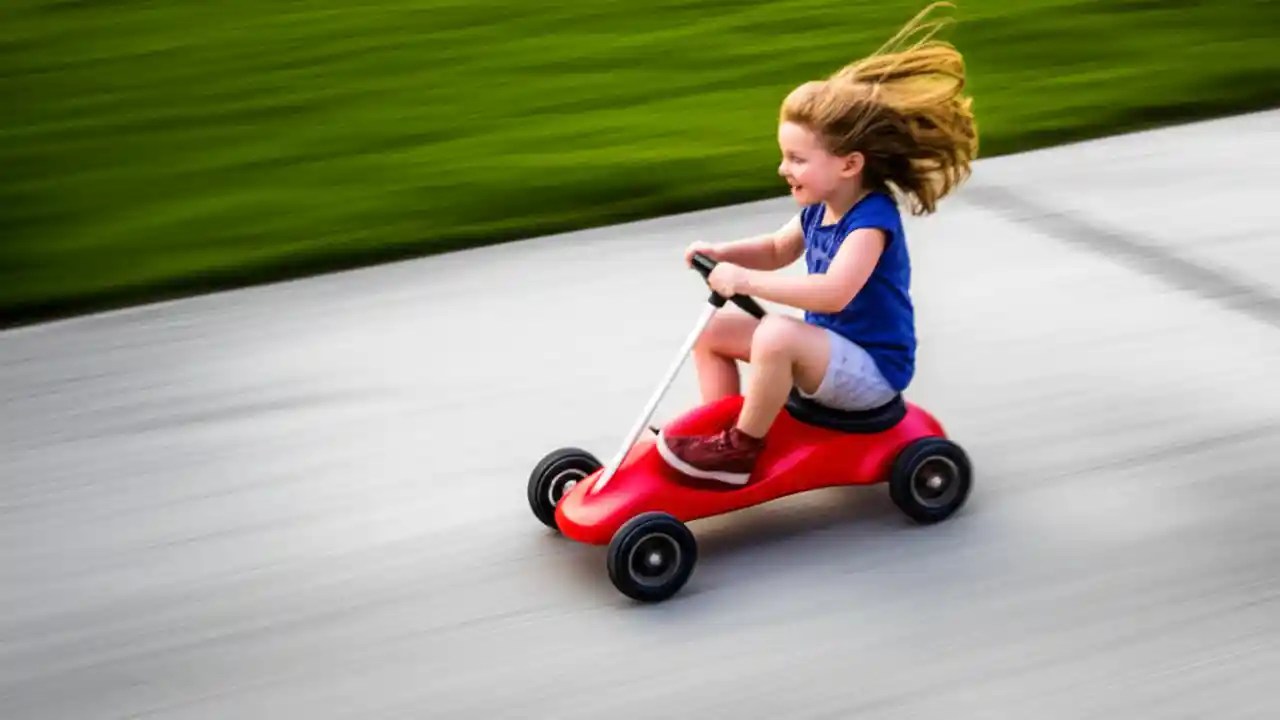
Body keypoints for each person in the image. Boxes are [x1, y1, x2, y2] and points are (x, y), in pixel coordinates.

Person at [657, 2, 978, 485]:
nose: (784, 168)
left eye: (797, 158)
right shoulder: (818, 206)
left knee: (776, 336)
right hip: (828, 358)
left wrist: (743, 280)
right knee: (714, 331)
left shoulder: (871, 221)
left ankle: (740, 453)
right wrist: (723, 254)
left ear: (849, 164)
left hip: (870, 374)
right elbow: (776, 249)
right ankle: (722, 431)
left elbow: (834, 293)